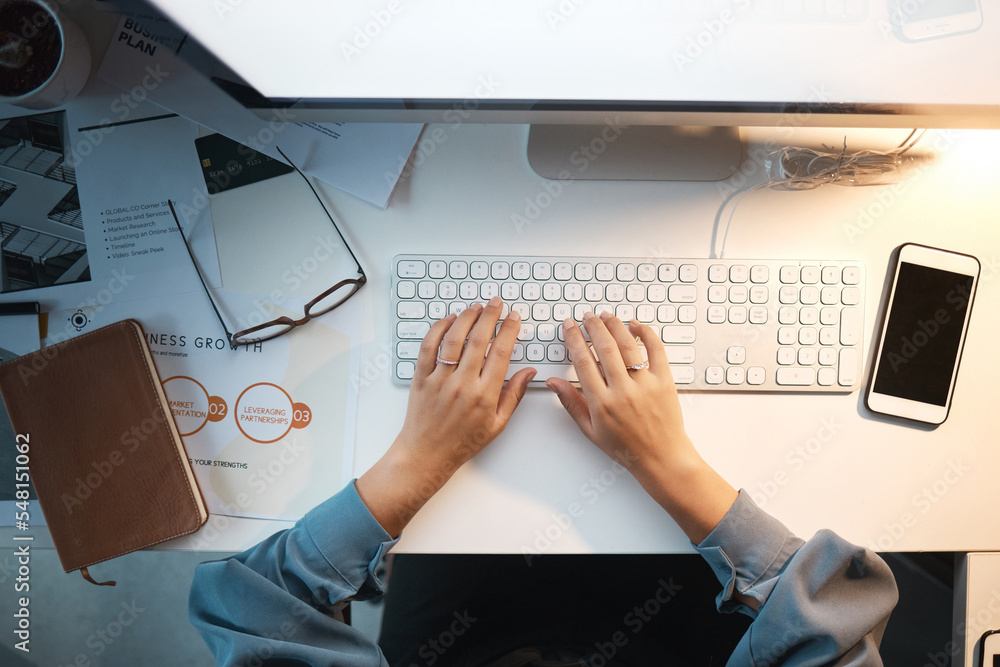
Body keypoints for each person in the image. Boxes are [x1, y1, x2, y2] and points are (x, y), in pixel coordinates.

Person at [189, 297, 898, 666]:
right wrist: (667, 462)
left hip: (459, 644)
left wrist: (418, 461)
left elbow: (256, 605)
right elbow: (833, 625)